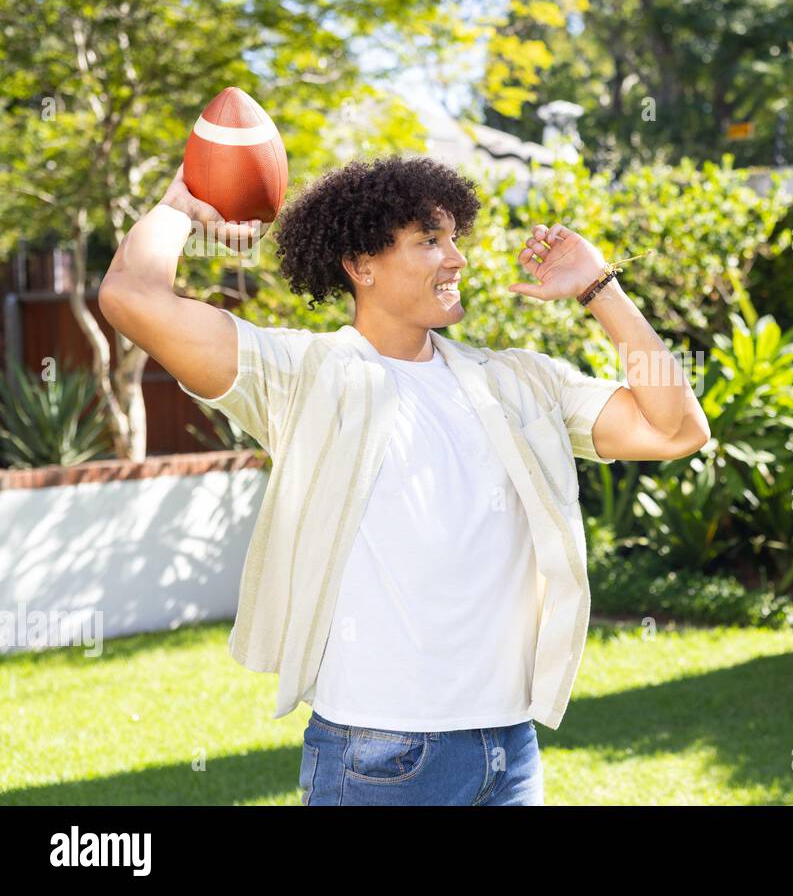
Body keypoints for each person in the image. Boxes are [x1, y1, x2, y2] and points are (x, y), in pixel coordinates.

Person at [99, 155, 709, 805]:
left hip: (507, 747)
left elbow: (675, 429)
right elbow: (132, 298)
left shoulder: (519, 381)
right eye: (428, 240)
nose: (456, 258)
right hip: (379, 754)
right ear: (362, 265)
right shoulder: (304, 375)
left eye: (453, 238)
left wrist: (599, 288)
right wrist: (182, 205)